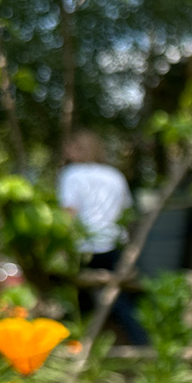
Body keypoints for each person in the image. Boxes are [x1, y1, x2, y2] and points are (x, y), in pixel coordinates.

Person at [57, 130, 149, 345]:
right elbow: (126, 211)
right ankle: (142, 344)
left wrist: (60, 245)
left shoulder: (72, 174)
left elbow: (69, 213)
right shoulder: (114, 175)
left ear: (79, 149)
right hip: (114, 244)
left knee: (78, 301)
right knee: (120, 299)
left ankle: (78, 349)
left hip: (84, 247)